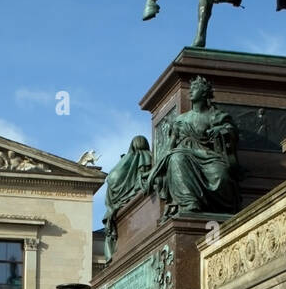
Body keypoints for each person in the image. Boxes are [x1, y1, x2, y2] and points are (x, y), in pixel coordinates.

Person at [146, 78, 241, 218]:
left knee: (221, 176)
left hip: (207, 155)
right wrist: (161, 163)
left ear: (204, 93)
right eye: (190, 88)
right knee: (177, 158)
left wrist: (221, 130)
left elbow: (231, 130)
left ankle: (221, 206)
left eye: (195, 88)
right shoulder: (181, 119)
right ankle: (190, 202)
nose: (190, 91)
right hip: (184, 154)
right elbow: (171, 145)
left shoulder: (215, 115)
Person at [102, 135, 153, 258]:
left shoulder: (123, 162)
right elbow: (145, 173)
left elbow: (111, 180)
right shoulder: (148, 156)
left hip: (116, 201)